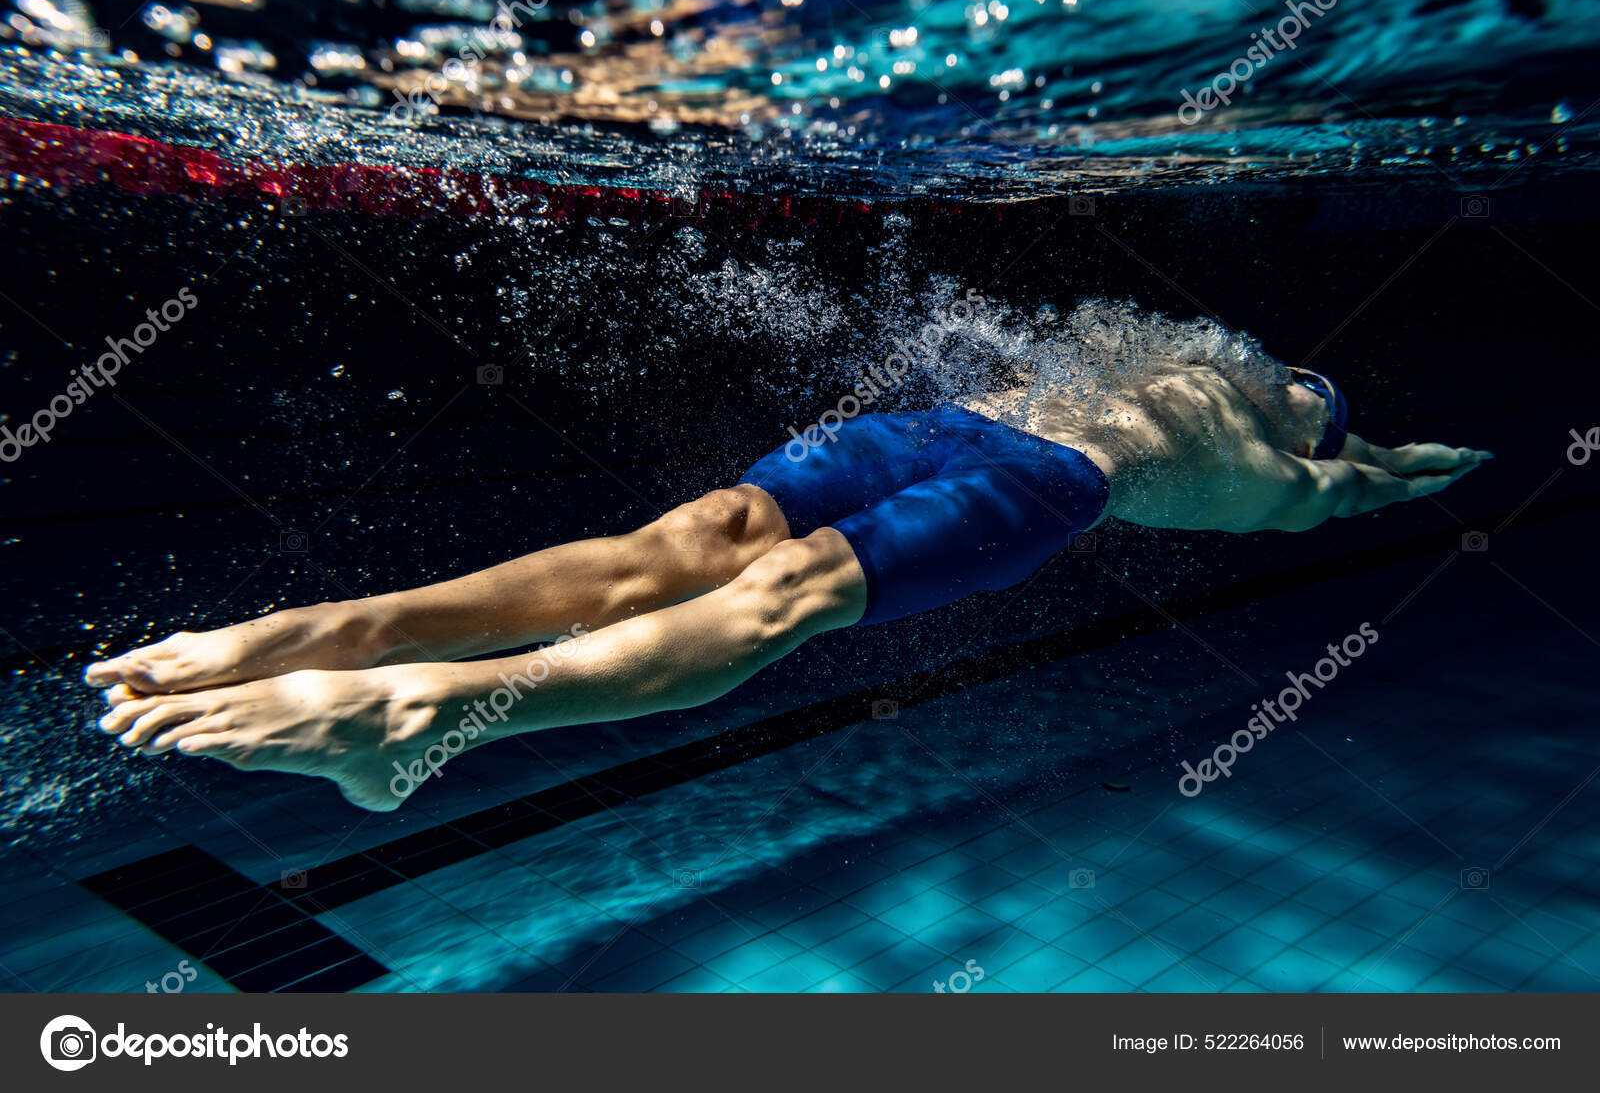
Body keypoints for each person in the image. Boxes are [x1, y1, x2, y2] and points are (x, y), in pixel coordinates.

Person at [89, 336, 1489, 810]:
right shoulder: (1245, 410)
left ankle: (364, 682)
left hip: (1009, 459)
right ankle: (348, 670)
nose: (1294, 382)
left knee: (746, 569)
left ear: (1318, 417)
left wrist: (1427, 464)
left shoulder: (1292, 466)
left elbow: (1367, 474)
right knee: (718, 562)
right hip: (982, 446)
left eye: (1315, 390)